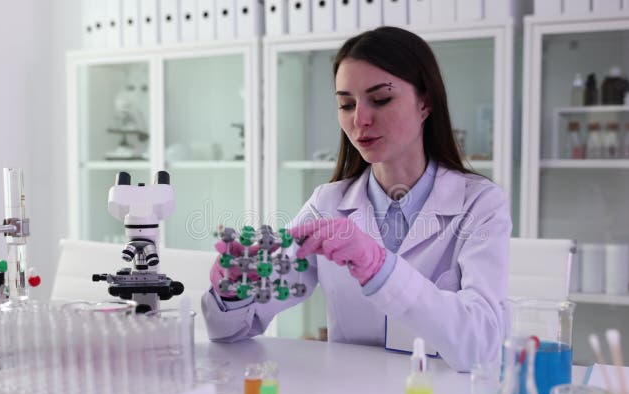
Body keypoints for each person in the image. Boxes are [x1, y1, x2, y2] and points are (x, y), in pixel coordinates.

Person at [201, 26, 511, 372]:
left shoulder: (480, 204)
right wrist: (234, 291)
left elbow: (483, 346)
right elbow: (230, 331)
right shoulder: (327, 204)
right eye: (346, 104)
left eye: (381, 99)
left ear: (425, 102)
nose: (360, 119)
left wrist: (381, 267)